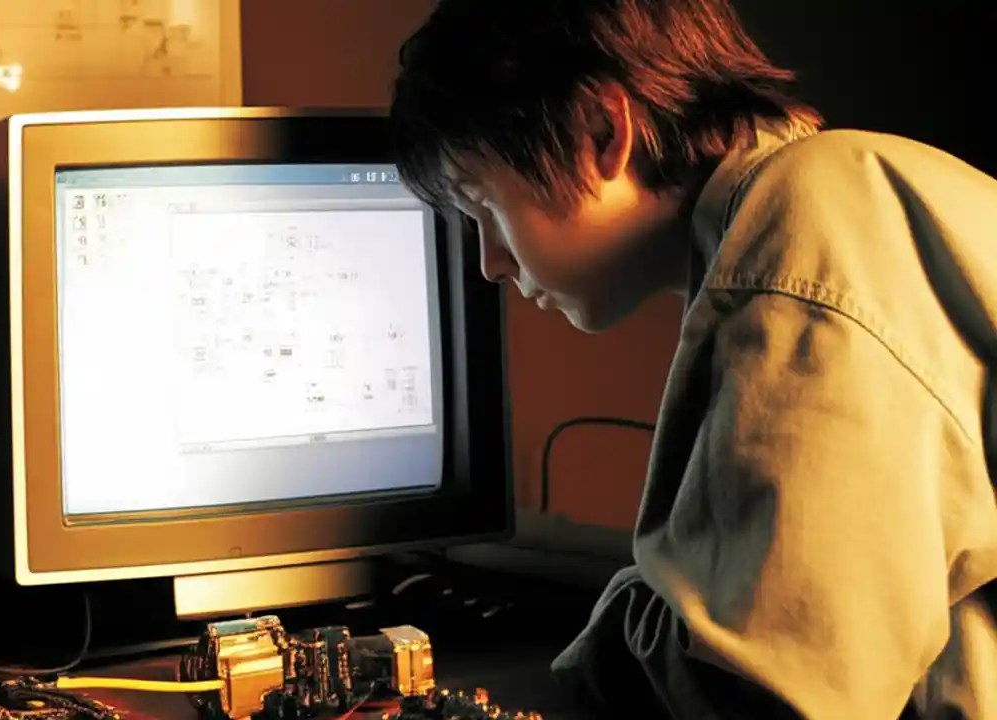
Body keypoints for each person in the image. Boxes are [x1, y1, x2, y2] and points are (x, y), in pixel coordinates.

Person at [388, 0, 997, 717]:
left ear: (600, 130)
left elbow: (775, 693)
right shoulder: (840, 194)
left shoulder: (814, 223)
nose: (489, 262)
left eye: (482, 205)